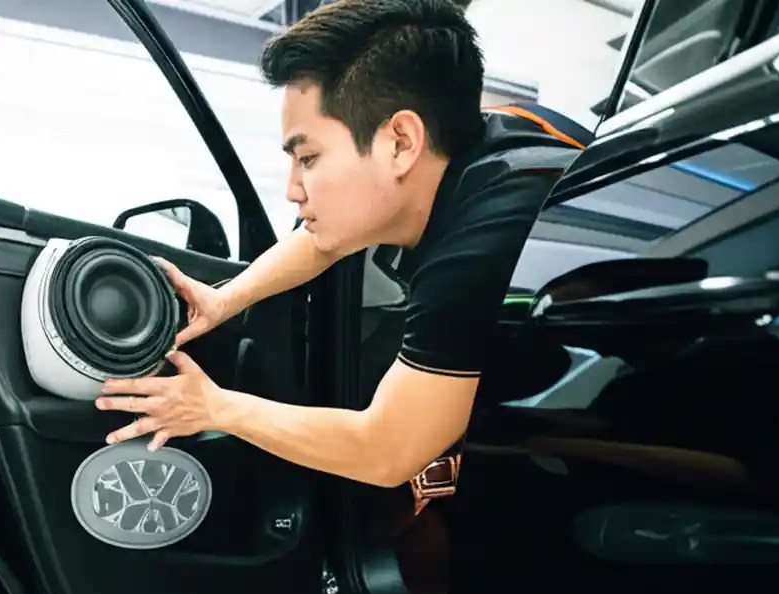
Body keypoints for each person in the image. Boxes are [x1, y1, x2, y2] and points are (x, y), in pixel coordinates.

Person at [96, 0, 587, 513]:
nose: (292, 190)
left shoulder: (477, 250)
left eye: (308, 158)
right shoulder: (493, 133)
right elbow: (320, 239)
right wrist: (225, 300)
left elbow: (388, 450)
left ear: (400, 142)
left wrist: (214, 407)